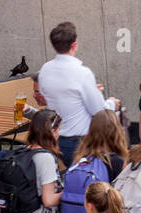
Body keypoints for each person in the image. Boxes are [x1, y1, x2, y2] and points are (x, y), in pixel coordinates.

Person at [37, 21, 120, 162]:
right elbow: (98, 111)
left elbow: (61, 96)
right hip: (80, 142)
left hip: (54, 139)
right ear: (74, 45)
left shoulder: (45, 70)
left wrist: (90, 92)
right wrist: (112, 103)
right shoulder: (83, 73)